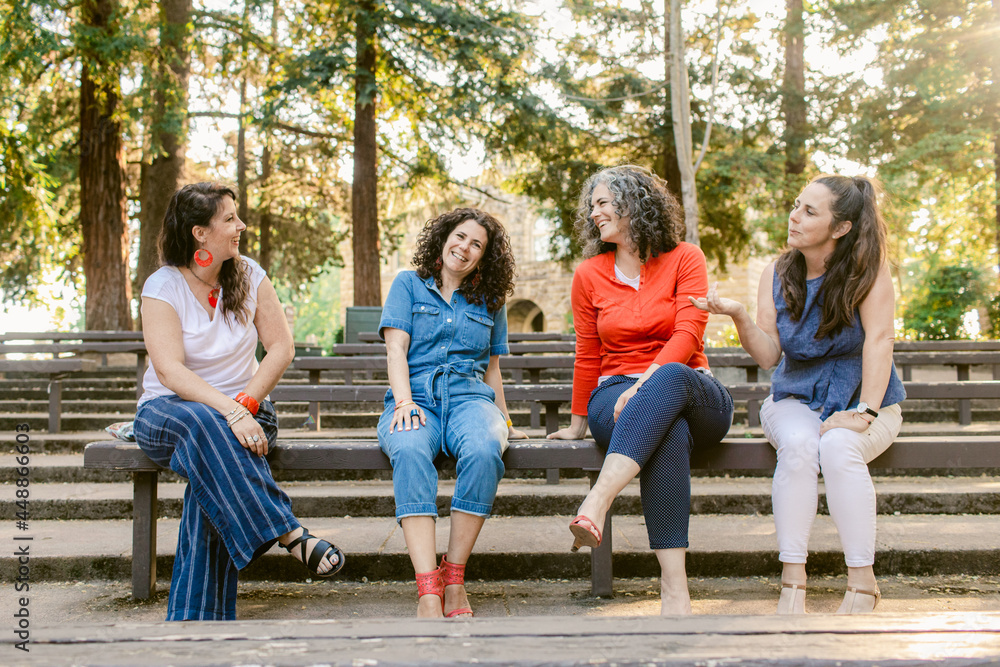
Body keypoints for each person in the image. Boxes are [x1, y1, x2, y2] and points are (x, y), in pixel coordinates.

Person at [691, 174, 905, 615]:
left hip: (868, 399)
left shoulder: (869, 270)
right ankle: (792, 583)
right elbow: (769, 355)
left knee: (840, 445)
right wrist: (739, 316)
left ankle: (863, 584)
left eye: (810, 211)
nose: (794, 216)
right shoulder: (776, 272)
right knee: (803, 444)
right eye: (796, 205)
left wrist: (863, 411)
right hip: (794, 400)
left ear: (841, 227)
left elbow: (880, 340)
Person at [135, 182, 345, 621]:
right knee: (203, 427)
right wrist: (228, 411)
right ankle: (288, 532)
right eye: (229, 219)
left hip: (249, 411)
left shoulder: (249, 274)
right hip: (169, 413)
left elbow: (282, 347)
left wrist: (244, 403)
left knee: (208, 474)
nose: (241, 226)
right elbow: (170, 371)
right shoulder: (163, 286)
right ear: (199, 233)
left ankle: (194, 622)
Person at [548, 165, 735, 615]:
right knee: (665, 433)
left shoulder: (686, 258)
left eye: (603, 202)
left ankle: (597, 501)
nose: (594, 213)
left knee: (667, 383)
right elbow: (588, 353)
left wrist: (647, 383)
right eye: (591, 205)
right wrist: (576, 424)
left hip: (692, 390)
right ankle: (675, 590)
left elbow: (688, 335)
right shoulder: (588, 275)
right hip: (615, 394)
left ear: (635, 203)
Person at [377, 208, 527, 618]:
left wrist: (505, 422)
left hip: (469, 400)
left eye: (477, 244)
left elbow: (492, 368)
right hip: (416, 398)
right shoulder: (408, 284)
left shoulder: (490, 300)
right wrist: (405, 403)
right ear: (444, 238)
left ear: (484, 256)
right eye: (460, 237)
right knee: (408, 450)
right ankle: (428, 587)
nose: (465, 247)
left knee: (483, 449)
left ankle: (454, 576)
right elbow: (396, 351)